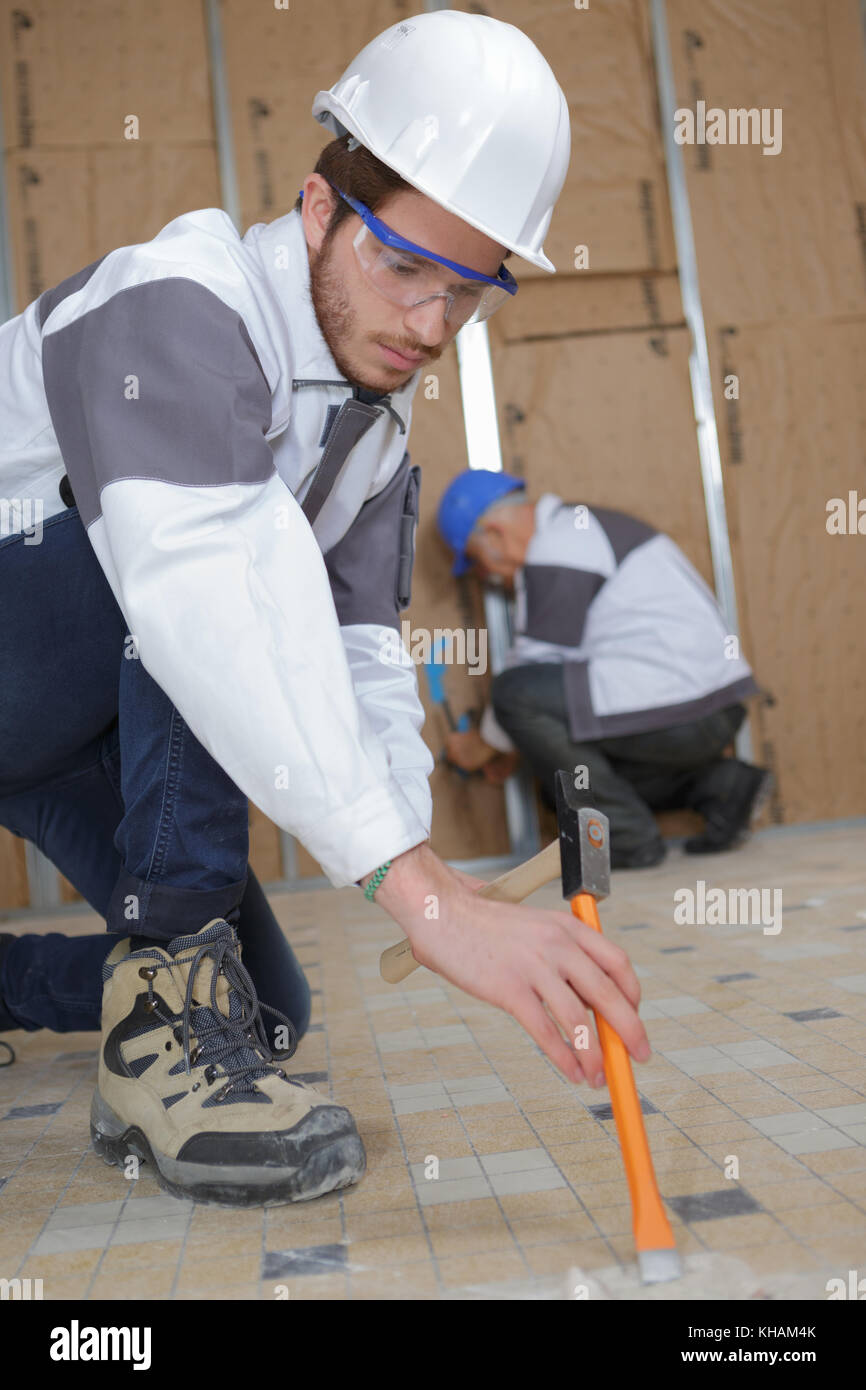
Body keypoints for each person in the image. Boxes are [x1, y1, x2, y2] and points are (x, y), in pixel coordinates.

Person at [0, 11, 650, 1207]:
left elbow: (359, 657)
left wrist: (431, 882)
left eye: (467, 294)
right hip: (29, 638)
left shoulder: (375, 425)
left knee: (264, 1010)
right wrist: (425, 901)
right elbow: (205, 585)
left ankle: (87, 1000)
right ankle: (159, 1043)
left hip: (62, 720)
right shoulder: (179, 300)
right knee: (224, 557)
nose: (426, 325)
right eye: (403, 268)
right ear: (318, 208)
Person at [438, 470, 772, 868]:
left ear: (494, 533)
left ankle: (627, 839)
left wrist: (485, 743)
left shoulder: (559, 543)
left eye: (478, 563)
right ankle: (723, 787)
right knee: (566, 790)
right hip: (710, 705)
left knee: (514, 693)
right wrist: (512, 742)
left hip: (683, 705)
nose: (488, 577)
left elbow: (534, 670)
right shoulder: (580, 529)